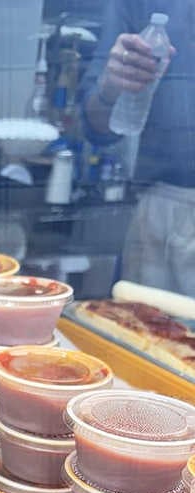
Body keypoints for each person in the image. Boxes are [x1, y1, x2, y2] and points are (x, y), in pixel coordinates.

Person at [81, 2, 195, 295]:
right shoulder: (139, 4)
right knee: (143, 333)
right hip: (164, 210)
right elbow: (97, 128)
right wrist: (111, 86)